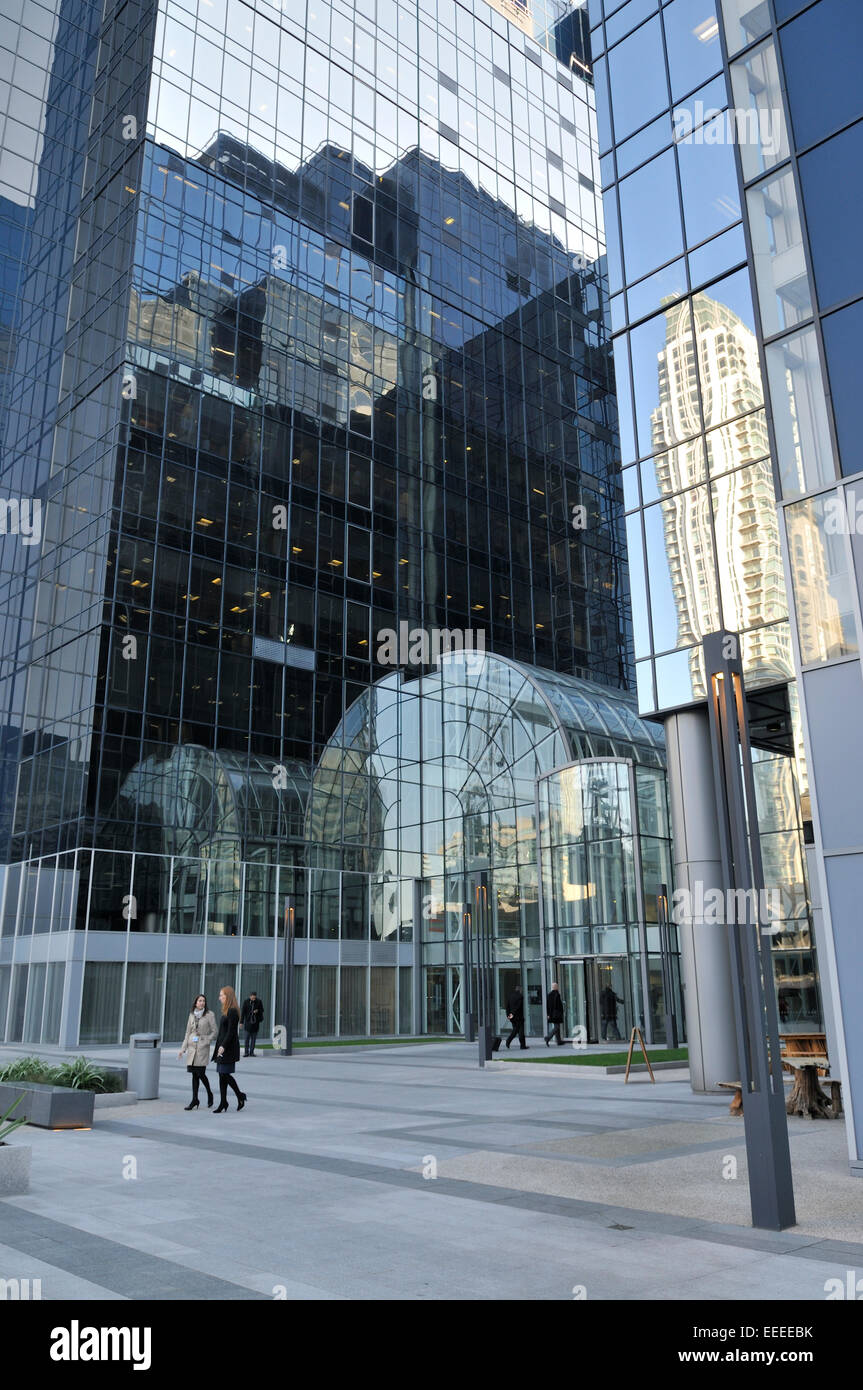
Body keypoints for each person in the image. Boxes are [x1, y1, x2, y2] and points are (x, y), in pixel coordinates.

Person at [178, 994, 217, 1109]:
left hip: (202, 1048)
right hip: (192, 1048)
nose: (202, 1003)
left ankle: (209, 1093)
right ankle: (195, 1099)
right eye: (200, 1001)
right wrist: (182, 1049)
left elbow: (215, 1031)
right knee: (194, 1075)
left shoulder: (210, 1015)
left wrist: (207, 1040)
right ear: (196, 1003)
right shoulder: (191, 1015)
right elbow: (187, 1032)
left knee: (201, 1073)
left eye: (203, 1001)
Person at [213, 985, 247, 1113]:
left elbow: (231, 1032)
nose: (220, 997)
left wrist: (223, 1046)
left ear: (228, 996)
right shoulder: (227, 1010)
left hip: (228, 1048)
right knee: (222, 1075)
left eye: (222, 995)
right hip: (223, 1047)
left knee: (225, 1074)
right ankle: (224, 1102)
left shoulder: (232, 1011)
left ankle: (239, 1096)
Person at [240, 990, 265, 1057]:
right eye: (252, 998)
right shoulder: (246, 1002)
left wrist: (257, 1011)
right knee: (247, 1039)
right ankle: (246, 1052)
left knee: (253, 1039)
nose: (254, 999)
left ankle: (251, 1052)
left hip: (255, 1023)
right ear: (250, 996)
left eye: (255, 998)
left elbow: (262, 1010)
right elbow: (243, 1012)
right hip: (248, 1023)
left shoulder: (259, 1002)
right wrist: (241, 1022)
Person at [505, 985, 528, 1050]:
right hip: (518, 1017)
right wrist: (513, 1014)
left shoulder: (510, 996)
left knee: (515, 1030)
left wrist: (509, 1015)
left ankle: (510, 1041)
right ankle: (521, 1045)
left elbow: (507, 1006)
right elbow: (518, 1007)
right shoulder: (520, 996)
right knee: (520, 1031)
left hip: (512, 1017)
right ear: (520, 990)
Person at [545, 981, 565, 1046]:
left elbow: (547, 1005)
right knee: (557, 1027)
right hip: (556, 1014)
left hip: (551, 1014)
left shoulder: (549, 995)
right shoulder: (557, 994)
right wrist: (561, 1012)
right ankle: (548, 1037)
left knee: (557, 1026)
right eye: (557, 986)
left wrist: (548, 1014)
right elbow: (559, 1005)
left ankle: (558, 1041)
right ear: (556, 987)